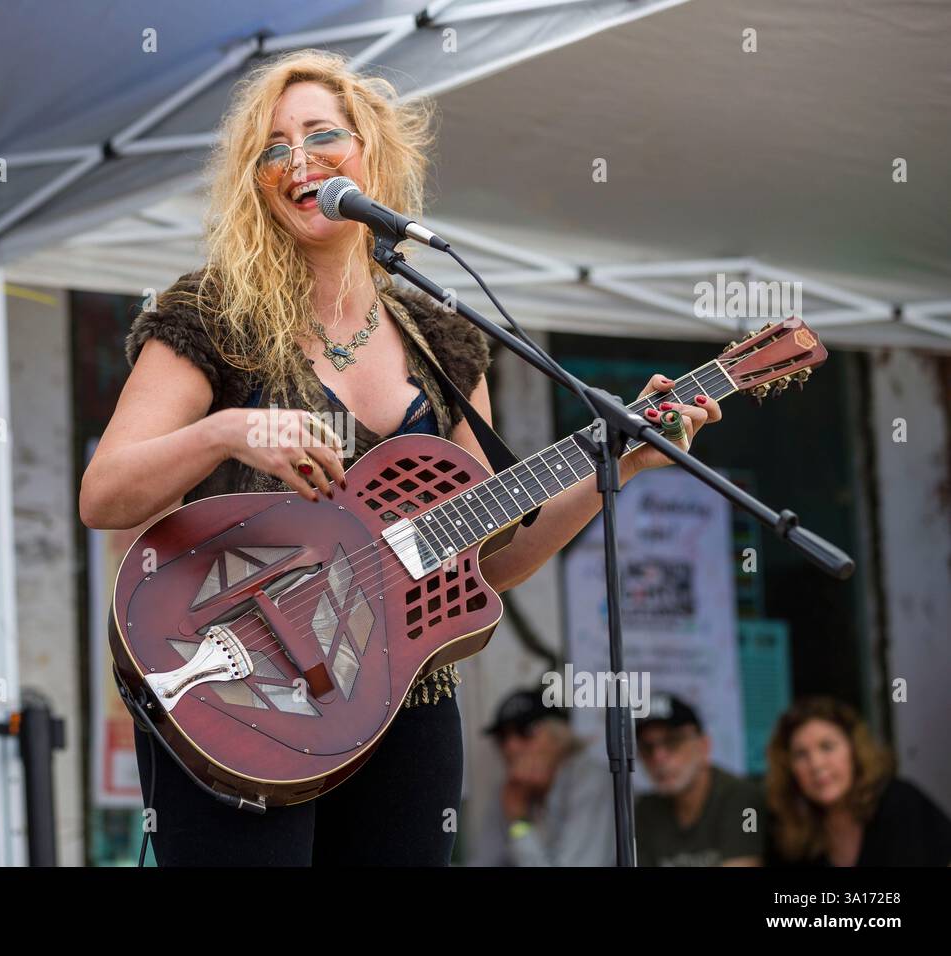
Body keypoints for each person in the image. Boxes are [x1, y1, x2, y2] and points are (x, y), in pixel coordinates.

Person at [78, 49, 721, 866]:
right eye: (274, 149)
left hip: (407, 704)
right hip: (245, 695)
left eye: (321, 137)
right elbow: (104, 495)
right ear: (256, 182)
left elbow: (491, 558)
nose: (299, 162)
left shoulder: (444, 339)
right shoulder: (210, 317)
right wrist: (227, 432)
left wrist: (616, 467)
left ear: (371, 154)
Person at [765, 696, 951, 867]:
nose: (816, 764)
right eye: (801, 754)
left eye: (827, 747)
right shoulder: (788, 828)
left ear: (854, 752)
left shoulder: (899, 802)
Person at [470, 689, 615, 866]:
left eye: (525, 732)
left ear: (559, 737)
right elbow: (484, 862)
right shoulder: (511, 788)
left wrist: (519, 822)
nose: (511, 746)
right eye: (502, 737)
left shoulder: (590, 779)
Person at [634, 692, 764, 866]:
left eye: (673, 741)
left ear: (704, 746)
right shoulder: (645, 811)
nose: (658, 757)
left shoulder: (744, 800)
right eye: (647, 747)